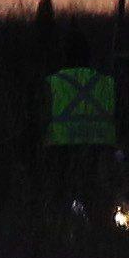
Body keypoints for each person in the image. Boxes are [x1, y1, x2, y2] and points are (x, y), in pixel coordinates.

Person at [42, 38, 117, 192]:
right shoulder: (107, 82)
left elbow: (41, 116)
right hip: (100, 145)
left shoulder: (51, 82)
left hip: (62, 145)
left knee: (63, 192)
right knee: (97, 192)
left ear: (64, 56)